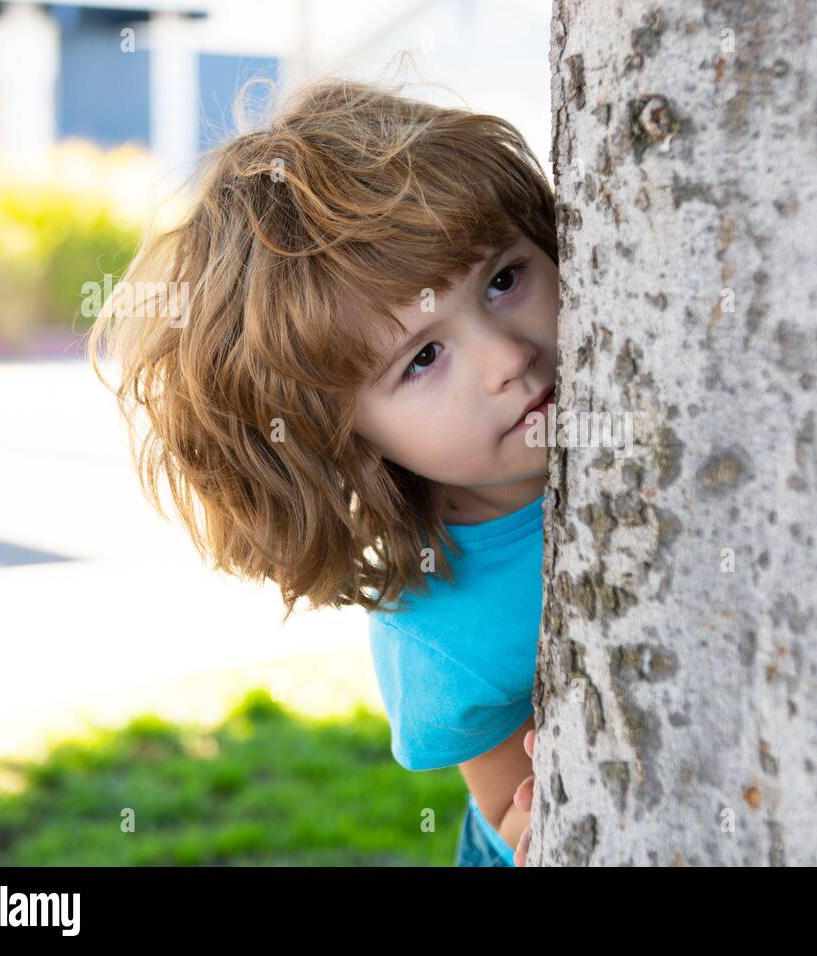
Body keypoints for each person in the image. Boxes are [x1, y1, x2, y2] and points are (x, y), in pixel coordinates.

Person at [85, 76, 556, 866]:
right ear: (351, 440)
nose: (509, 358)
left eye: (504, 280)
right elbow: (527, 822)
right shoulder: (444, 641)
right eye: (425, 358)